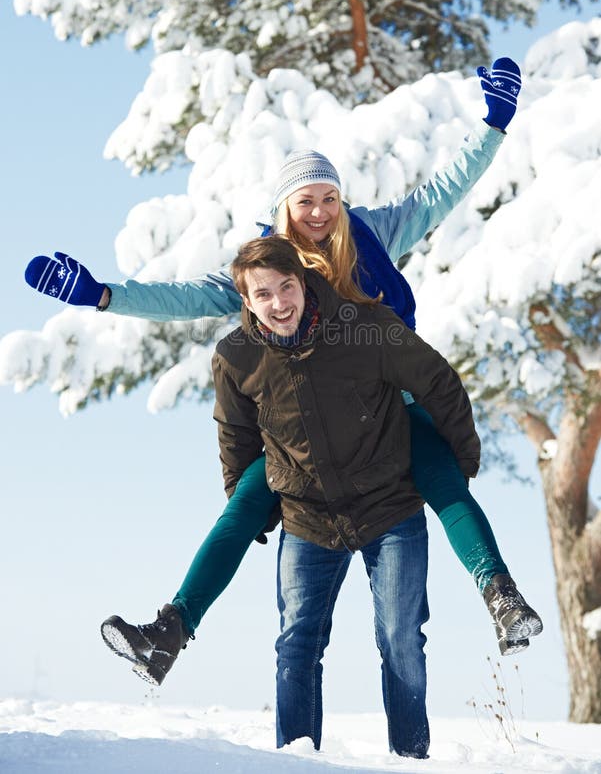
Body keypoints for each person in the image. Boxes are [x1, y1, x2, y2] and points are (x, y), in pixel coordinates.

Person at [24, 57, 542, 690]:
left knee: (444, 481)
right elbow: (189, 296)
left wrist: (493, 126)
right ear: (284, 207)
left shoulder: (372, 233)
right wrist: (105, 295)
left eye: (329, 198)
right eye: (306, 201)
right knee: (244, 506)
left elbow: (442, 193)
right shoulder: (266, 270)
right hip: (303, 425)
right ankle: (168, 634)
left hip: (391, 406)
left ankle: (504, 599)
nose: (320, 212)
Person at [219, 234, 484, 755]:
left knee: (401, 640)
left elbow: (437, 380)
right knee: (296, 646)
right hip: (307, 519)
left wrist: (463, 457)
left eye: (286, 287)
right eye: (263, 294)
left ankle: (410, 759)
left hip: (389, 507)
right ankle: (295, 763)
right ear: (247, 302)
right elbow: (236, 436)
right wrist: (245, 499)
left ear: (303, 281)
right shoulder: (236, 357)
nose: (279, 303)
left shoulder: (363, 327)